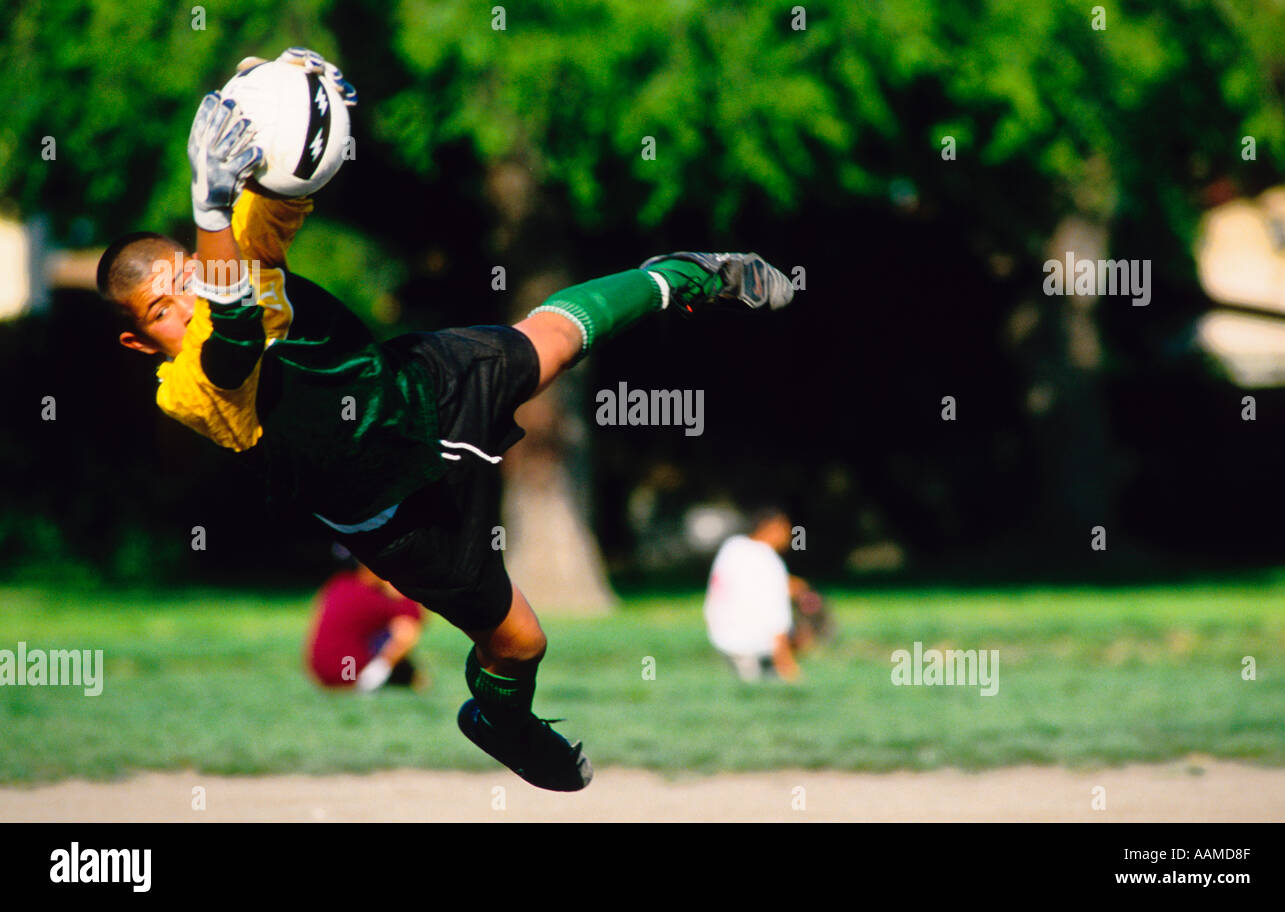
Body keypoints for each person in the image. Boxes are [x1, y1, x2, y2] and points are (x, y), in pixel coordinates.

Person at [95, 48, 797, 791]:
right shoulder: (187, 388)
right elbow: (232, 340)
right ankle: (501, 719)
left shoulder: (241, 255)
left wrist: (284, 91)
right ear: (141, 339)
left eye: (186, 279)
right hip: (397, 518)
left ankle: (687, 272)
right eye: (163, 309)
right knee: (522, 642)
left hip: (419, 387)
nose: (187, 303)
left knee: (550, 340)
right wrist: (207, 206)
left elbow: (286, 178)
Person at [703, 508, 812, 682]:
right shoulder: (769, 561)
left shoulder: (733, 546)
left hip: (720, 635)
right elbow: (776, 620)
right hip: (749, 642)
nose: (789, 536)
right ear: (771, 526)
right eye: (785, 529)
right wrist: (789, 669)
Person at [306, 560, 426, 691]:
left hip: (322, 674)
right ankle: (375, 678)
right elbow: (408, 632)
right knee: (396, 634)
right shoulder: (380, 598)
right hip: (349, 675)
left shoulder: (339, 584)